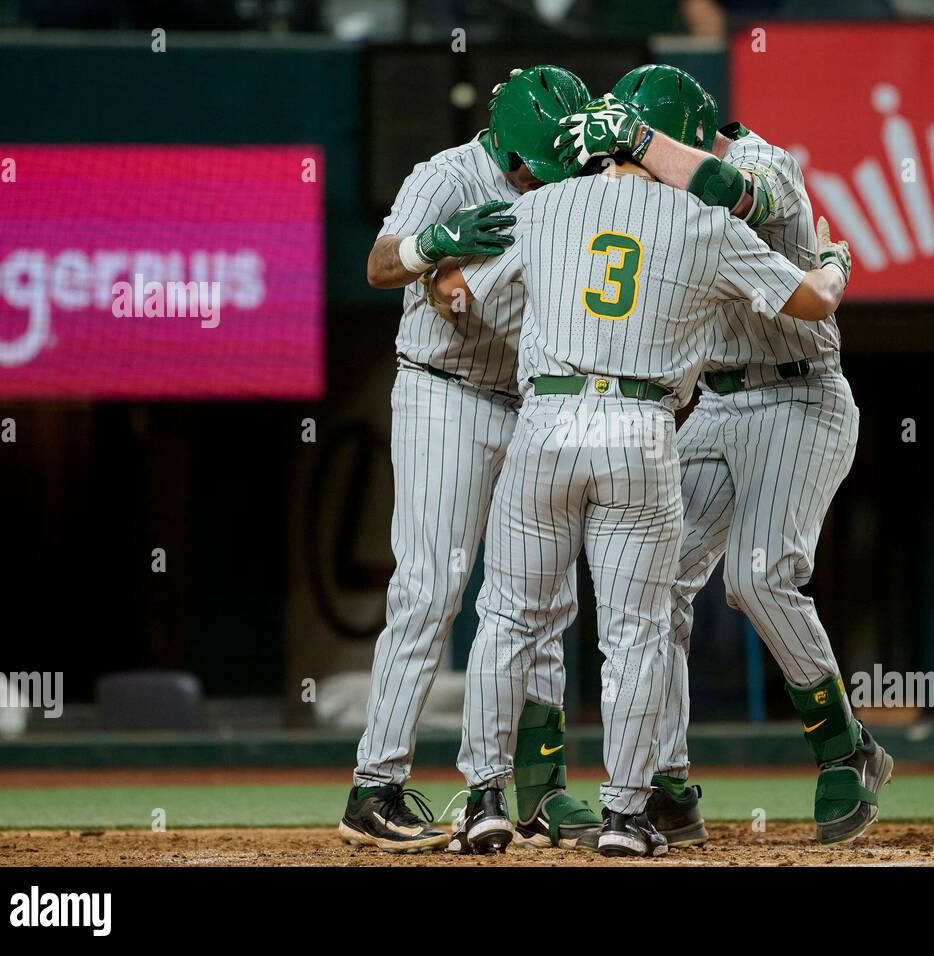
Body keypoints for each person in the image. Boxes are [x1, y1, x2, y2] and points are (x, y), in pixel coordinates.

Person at [430, 136, 852, 857]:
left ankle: (486, 801)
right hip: (643, 427)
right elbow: (812, 299)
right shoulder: (703, 221)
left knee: (507, 618)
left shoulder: (546, 204)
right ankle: (627, 815)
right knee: (638, 630)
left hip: (547, 419)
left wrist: (439, 260)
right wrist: (836, 260)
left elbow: (456, 294)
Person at [554, 65, 893, 848]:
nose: (630, 167)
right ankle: (668, 783)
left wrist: (641, 142)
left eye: (641, 145)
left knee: (757, 576)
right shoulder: (653, 191)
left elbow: (728, 193)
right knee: (658, 582)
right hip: (719, 402)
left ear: (675, 128)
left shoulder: (763, 161)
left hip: (801, 396)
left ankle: (847, 747)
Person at [338, 65, 600, 853]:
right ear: (507, 139)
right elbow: (380, 266)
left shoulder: (572, 182)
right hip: (443, 393)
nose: (538, 176)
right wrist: (435, 243)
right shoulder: (446, 174)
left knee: (544, 601)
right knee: (431, 586)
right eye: (531, 162)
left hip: (529, 396)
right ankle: (375, 785)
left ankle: (542, 787)